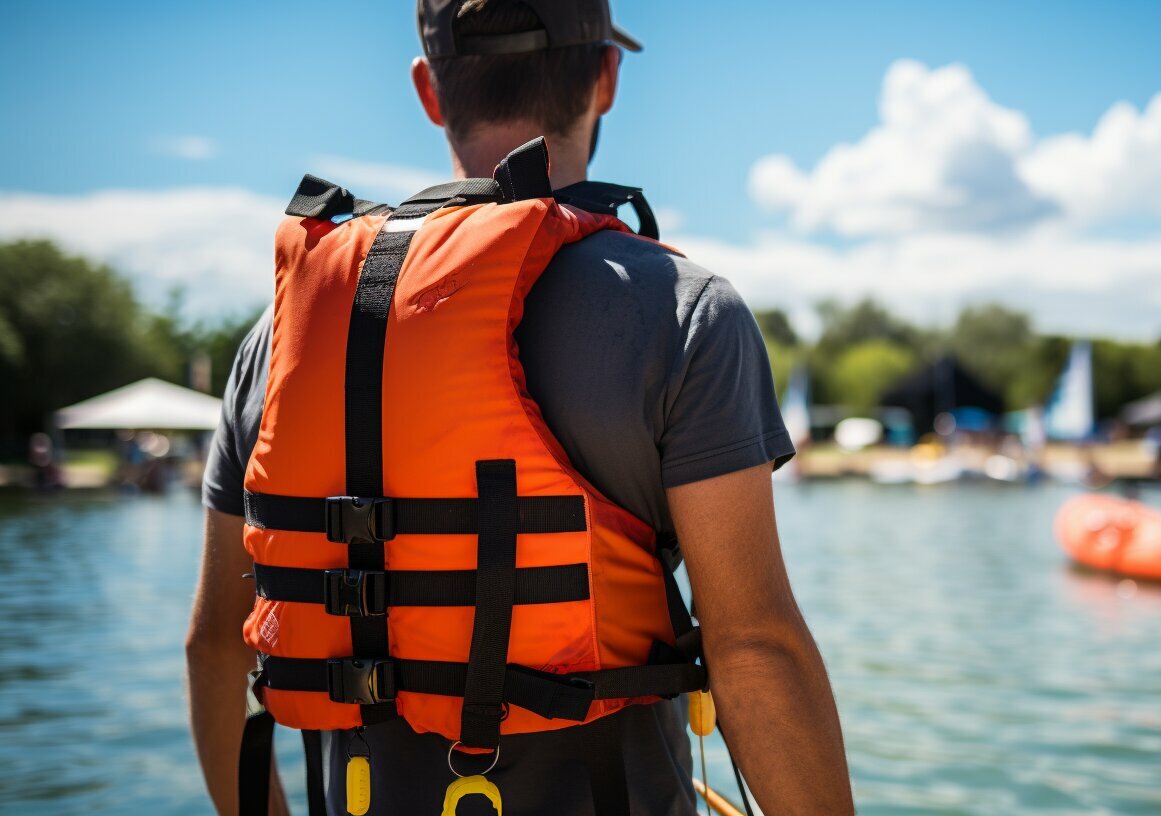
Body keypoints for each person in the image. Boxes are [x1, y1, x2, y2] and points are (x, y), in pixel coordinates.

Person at [184, 2, 854, 815]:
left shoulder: (282, 333)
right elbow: (754, 648)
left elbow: (216, 644)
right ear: (606, 78)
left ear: (430, 90)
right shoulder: (684, 313)